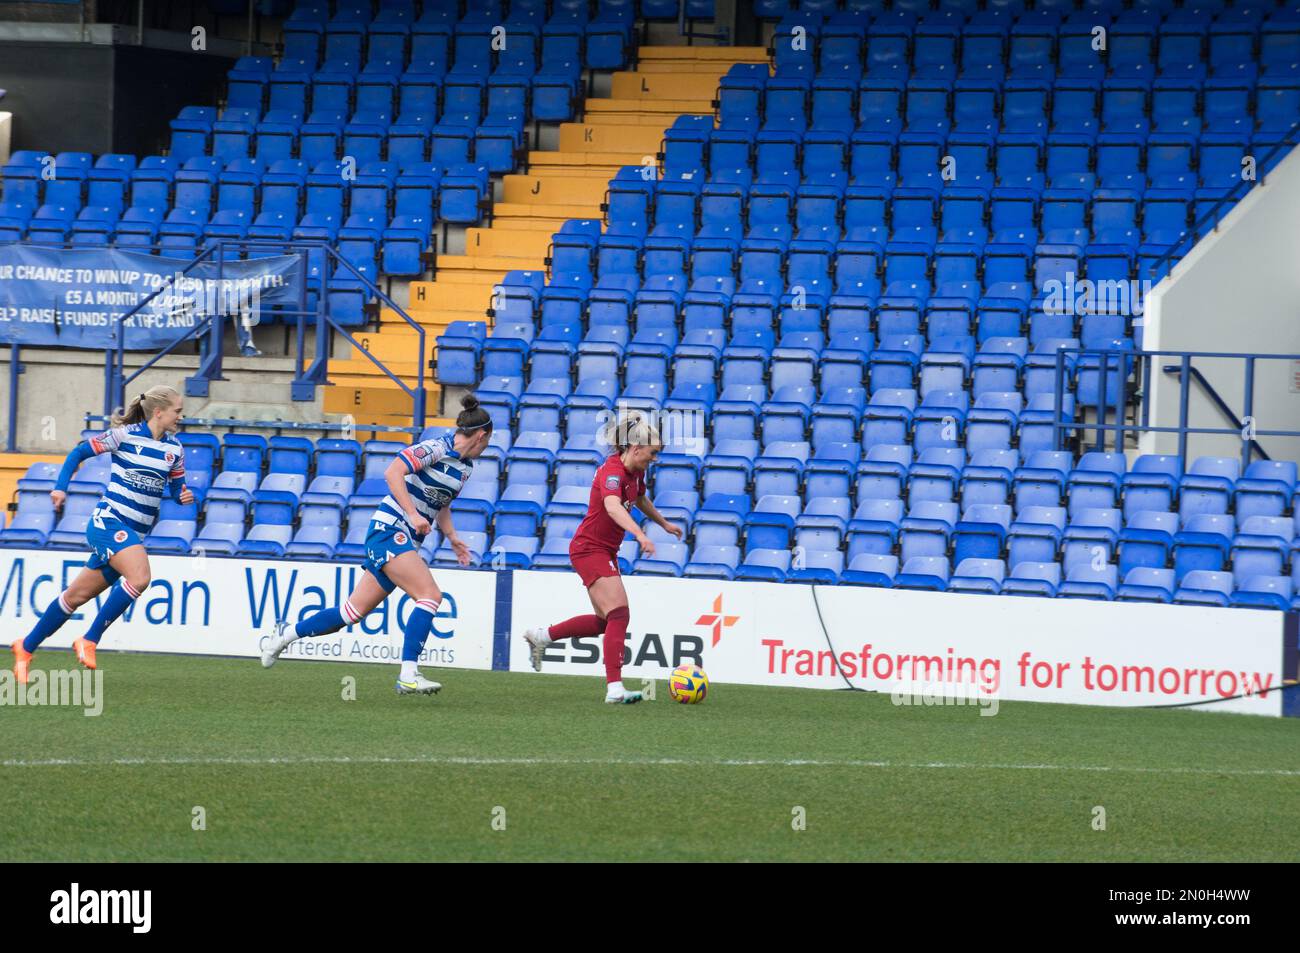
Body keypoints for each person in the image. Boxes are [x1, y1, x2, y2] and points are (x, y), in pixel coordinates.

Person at [260, 394, 491, 694]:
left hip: (406, 538)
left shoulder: (465, 467)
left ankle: (283, 636)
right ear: (482, 435)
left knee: (350, 613)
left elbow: (441, 502)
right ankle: (409, 673)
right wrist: (411, 513)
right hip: (389, 530)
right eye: (488, 440)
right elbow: (392, 472)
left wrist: (453, 537)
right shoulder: (436, 448)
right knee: (430, 595)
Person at [10, 385, 191, 683]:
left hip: (133, 533)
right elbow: (79, 452)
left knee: (75, 597)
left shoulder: (175, 450)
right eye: (177, 411)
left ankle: (25, 647)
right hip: (108, 522)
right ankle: (90, 639)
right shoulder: (125, 435)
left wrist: (181, 495)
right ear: (159, 412)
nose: (180, 417)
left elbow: (173, 489)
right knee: (140, 577)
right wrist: (60, 487)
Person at [522, 408, 682, 703]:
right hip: (590, 548)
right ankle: (615, 688)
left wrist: (663, 523)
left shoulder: (636, 472)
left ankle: (542, 636)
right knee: (620, 613)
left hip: (602, 550)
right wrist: (640, 534)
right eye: (652, 453)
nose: (654, 459)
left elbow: (639, 498)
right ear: (635, 449)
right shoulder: (612, 472)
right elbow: (612, 506)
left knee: (604, 622)